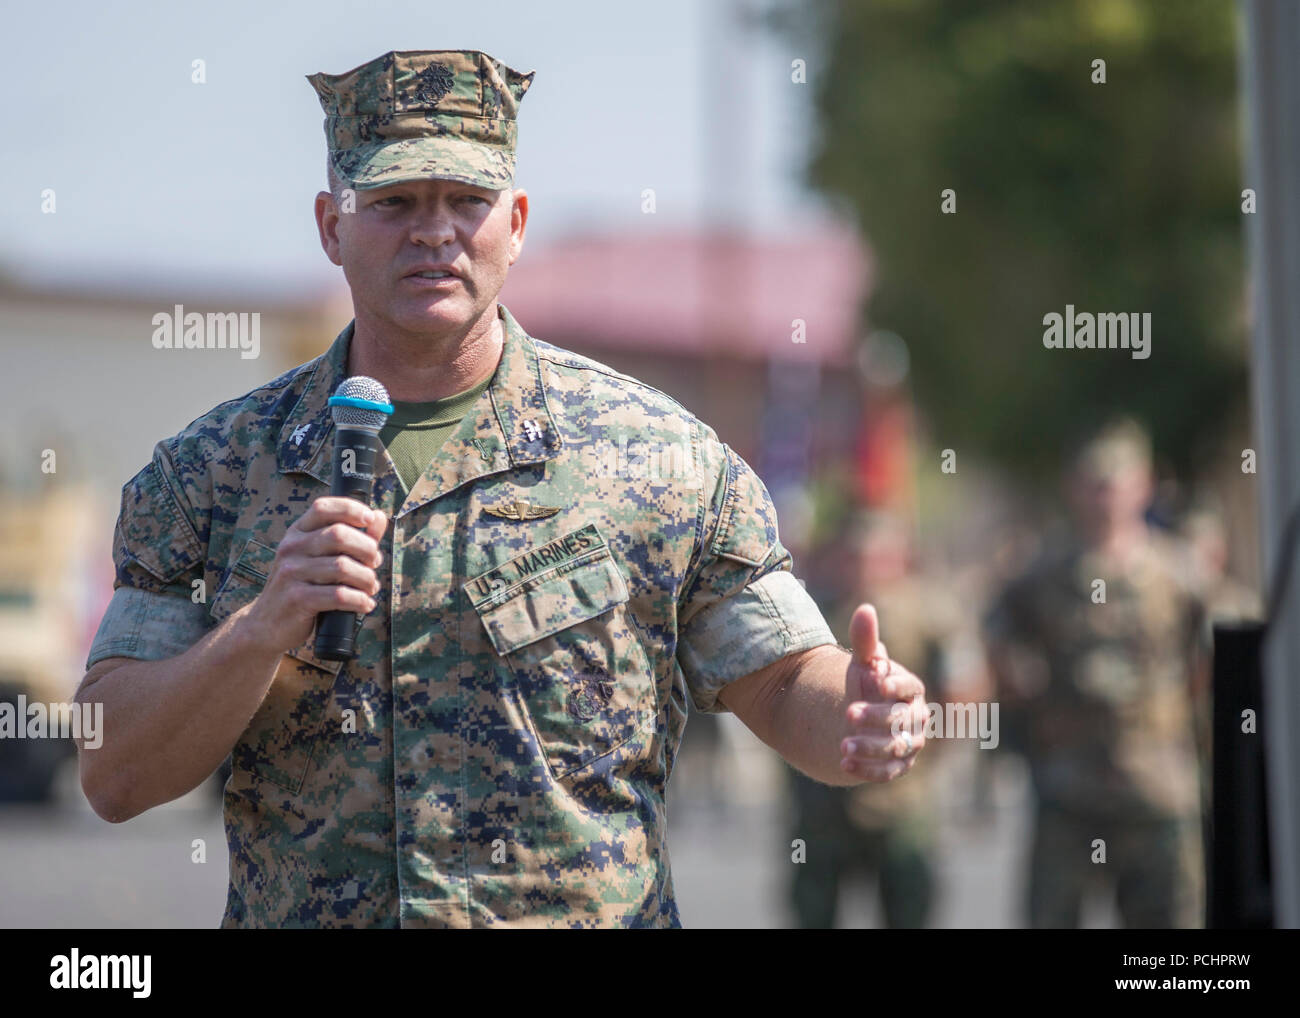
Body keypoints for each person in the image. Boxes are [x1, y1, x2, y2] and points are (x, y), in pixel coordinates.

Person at [72, 49, 928, 928]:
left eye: (467, 202)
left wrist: (856, 715)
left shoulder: (660, 460)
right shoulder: (209, 474)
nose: (434, 232)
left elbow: (784, 683)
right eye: (396, 202)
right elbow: (115, 773)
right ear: (332, 225)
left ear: (515, 224)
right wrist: (258, 632)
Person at [983, 418, 1208, 928]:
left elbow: (1218, 650)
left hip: (1157, 793)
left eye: (1117, 482)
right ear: (1073, 488)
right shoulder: (1043, 572)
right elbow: (994, 636)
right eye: (1094, 482)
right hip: (1069, 793)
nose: (1105, 495)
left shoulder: (1178, 572)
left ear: (1143, 485)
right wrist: (1022, 694)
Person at [787, 510, 958, 928]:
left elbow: (960, 689)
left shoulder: (928, 613)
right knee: (814, 910)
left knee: (908, 906)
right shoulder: (812, 613)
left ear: (899, 558)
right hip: (821, 803)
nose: (865, 567)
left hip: (900, 802)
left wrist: (928, 751)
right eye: (855, 556)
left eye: (878, 556)